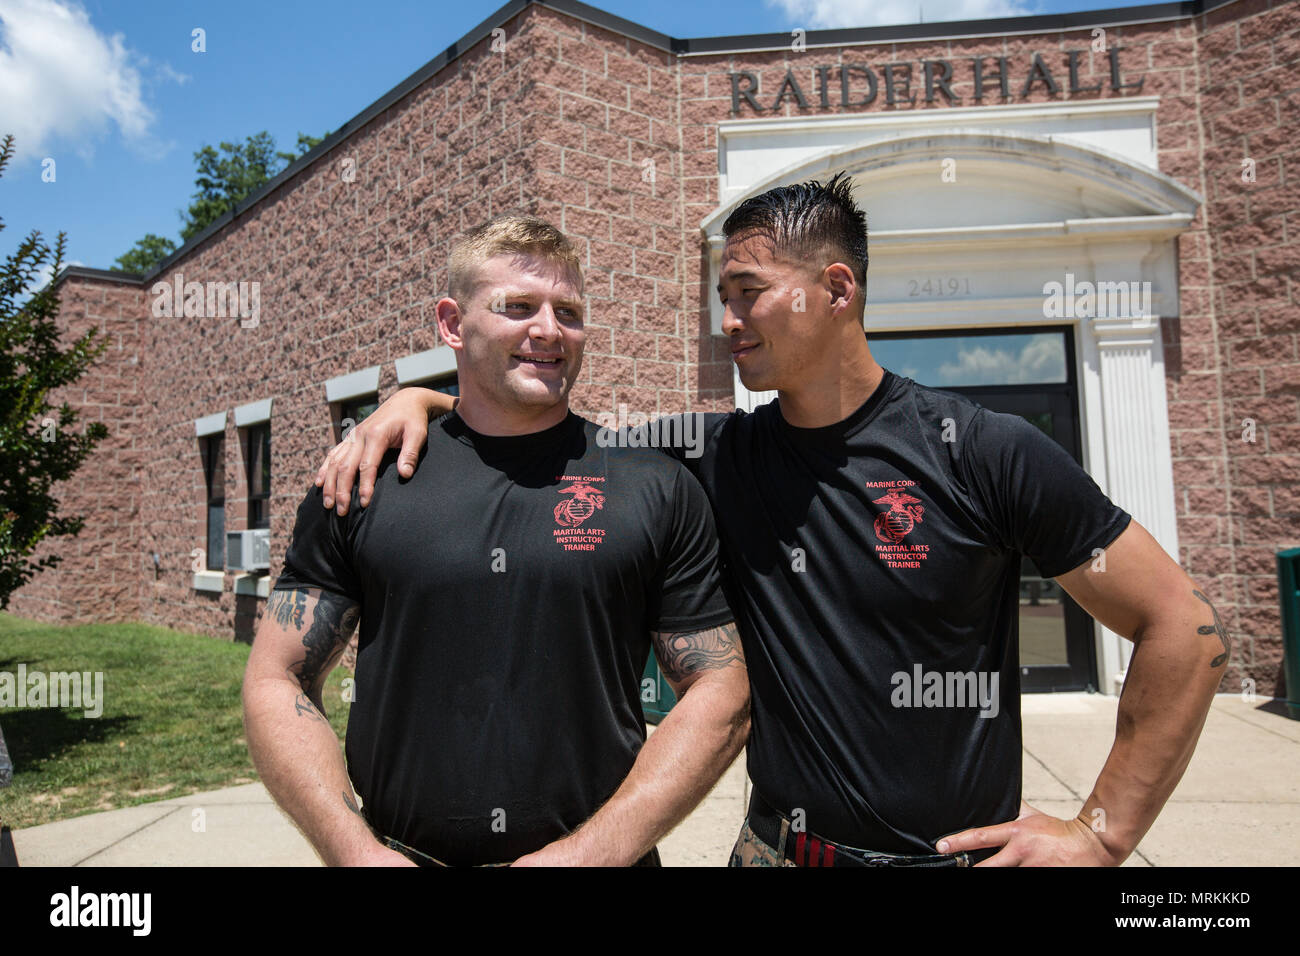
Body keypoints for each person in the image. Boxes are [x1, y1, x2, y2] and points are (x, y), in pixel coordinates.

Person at [316, 175, 1228, 867]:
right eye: (723, 295)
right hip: (772, 854)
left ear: (835, 290)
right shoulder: (717, 454)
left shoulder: (983, 451)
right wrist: (421, 404)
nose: (727, 320)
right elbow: (545, 430)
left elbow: (1181, 630)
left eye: (747, 290)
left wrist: (1100, 835)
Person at [243, 215, 748, 867]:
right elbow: (277, 676)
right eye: (518, 307)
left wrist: (594, 853)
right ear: (452, 324)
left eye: (568, 310)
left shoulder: (652, 485)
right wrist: (355, 854)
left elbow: (721, 687)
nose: (548, 330)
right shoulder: (365, 478)